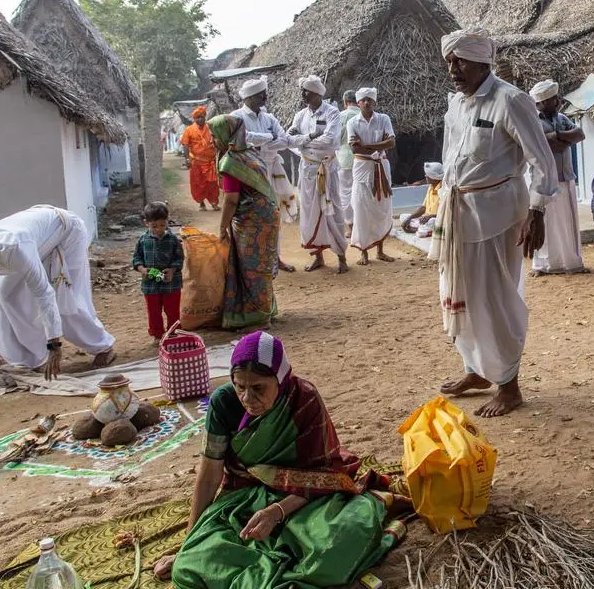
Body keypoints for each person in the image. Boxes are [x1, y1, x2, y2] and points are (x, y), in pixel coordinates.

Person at [153, 331, 403, 588]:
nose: (247, 399)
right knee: (187, 567)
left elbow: (325, 475)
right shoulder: (223, 403)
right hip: (245, 498)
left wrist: (277, 511)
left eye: (258, 388)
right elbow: (209, 477)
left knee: (334, 548)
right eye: (240, 386)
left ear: (281, 380)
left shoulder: (303, 399)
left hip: (306, 498)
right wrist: (186, 544)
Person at [433, 29, 557, 417]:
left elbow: (542, 161)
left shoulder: (510, 100)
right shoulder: (456, 104)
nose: (453, 69)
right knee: (461, 293)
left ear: (482, 61)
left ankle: (509, 385)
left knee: (494, 298)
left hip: (498, 215)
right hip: (458, 212)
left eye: (461, 61)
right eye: (450, 61)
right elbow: (452, 158)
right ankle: (476, 370)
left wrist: (537, 210)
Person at [0, 205, 118, 387]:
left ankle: (103, 347)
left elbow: (44, 293)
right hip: (35, 244)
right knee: (3, 297)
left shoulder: (11, 248)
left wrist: (55, 346)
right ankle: (29, 360)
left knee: (65, 298)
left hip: (66, 234)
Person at [210, 114, 279, 329]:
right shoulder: (250, 152)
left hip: (252, 220)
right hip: (268, 214)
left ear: (227, 134)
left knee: (251, 267)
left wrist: (222, 227)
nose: (212, 140)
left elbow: (231, 200)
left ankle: (259, 317)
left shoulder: (231, 162)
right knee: (262, 264)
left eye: (215, 136)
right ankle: (266, 309)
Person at [232, 78, 298, 273]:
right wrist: (269, 137)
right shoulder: (237, 117)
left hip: (272, 169)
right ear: (250, 97)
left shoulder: (269, 118)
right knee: (252, 215)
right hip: (250, 172)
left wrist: (262, 143)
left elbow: (284, 140)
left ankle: (275, 258)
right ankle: (253, 261)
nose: (265, 97)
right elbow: (244, 139)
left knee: (273, 214)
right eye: (261, 95)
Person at [288, 75, 349, 275]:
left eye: (306, 91)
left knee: (333, 211)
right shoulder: (300, 115)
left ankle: (341, 257)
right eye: (302, 91)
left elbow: (329, 140)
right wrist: (308, 139)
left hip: (327, 169)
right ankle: (318, 257)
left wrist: (303, 141)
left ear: (317, 93)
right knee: (310, 213)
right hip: (307, 170)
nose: (303, 94)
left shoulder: (332, 113)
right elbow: (289, 139)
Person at [529, 79, 588, 276]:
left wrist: (556, 136)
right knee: (543, 223)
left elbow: (579, 134)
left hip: (566, 178)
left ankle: (571, 262)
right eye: (555, 99)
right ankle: (541, 266)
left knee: (568, 224)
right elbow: (540, 144)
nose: (559, 101)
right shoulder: (532, 122)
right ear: (545, 101)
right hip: (543, 181)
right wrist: (562, 139)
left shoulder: (561, 118)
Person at [347, 88, 396, 266]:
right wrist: (378, 146)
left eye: (370, 99)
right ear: (358, 102)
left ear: (374, 102)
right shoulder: (352, 122)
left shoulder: (383, 119)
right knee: (361, 208)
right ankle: (364, 252)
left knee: (380, 206)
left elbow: (391, 142)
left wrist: (366, 145)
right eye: (364, 100)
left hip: (381, 166)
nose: (367, 102)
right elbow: (354, 148)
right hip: (361, 167)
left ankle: (380, 251)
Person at [132, 202, 183, 340]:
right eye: (154, 226)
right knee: (153, 311)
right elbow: (136, 258)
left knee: (172, 310)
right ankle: (157, 334)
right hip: (150, 284)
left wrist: (172, 270)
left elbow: (179, 258)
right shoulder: (143, 240)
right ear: (146, 223)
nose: (159, 229)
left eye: (162, 225)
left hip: (171, 284)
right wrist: (143, 269)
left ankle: (173, 333)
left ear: (167, 221)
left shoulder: (173, 240)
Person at [180, 106, 220, 211]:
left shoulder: (211, 128)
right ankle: (201, 203)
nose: (200, 119)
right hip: (196, 162)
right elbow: (185, 144)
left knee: (212, 183)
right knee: (198, 183)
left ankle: (214, 202)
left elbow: (218, 141)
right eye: (197, 117)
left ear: (205, 117)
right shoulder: (189, 130)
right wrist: (187, 159)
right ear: (194, 119)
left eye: (202, 117)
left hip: (210, 162)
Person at [336, 89, 359, 231]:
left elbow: (335, 139)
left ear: (345, 102)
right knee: (361, 192)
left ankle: (351, 226)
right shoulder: (364, 115)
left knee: (345, 193)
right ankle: (362, 226)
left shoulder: (340, 116)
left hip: (344, 159)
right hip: (363, 159)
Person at [401, 162, 443, 237]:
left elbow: (445, 214)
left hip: (436, 220)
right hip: (424, 220)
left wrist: (430, 216)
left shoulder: (443, 190)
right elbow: (423, 208)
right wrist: (410, 218)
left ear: (435, 177)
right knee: (403, 217)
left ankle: (422, 230)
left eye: (428, 174)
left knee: (432, 221)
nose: (425, 176)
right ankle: (424, 230)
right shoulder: (431, 187)